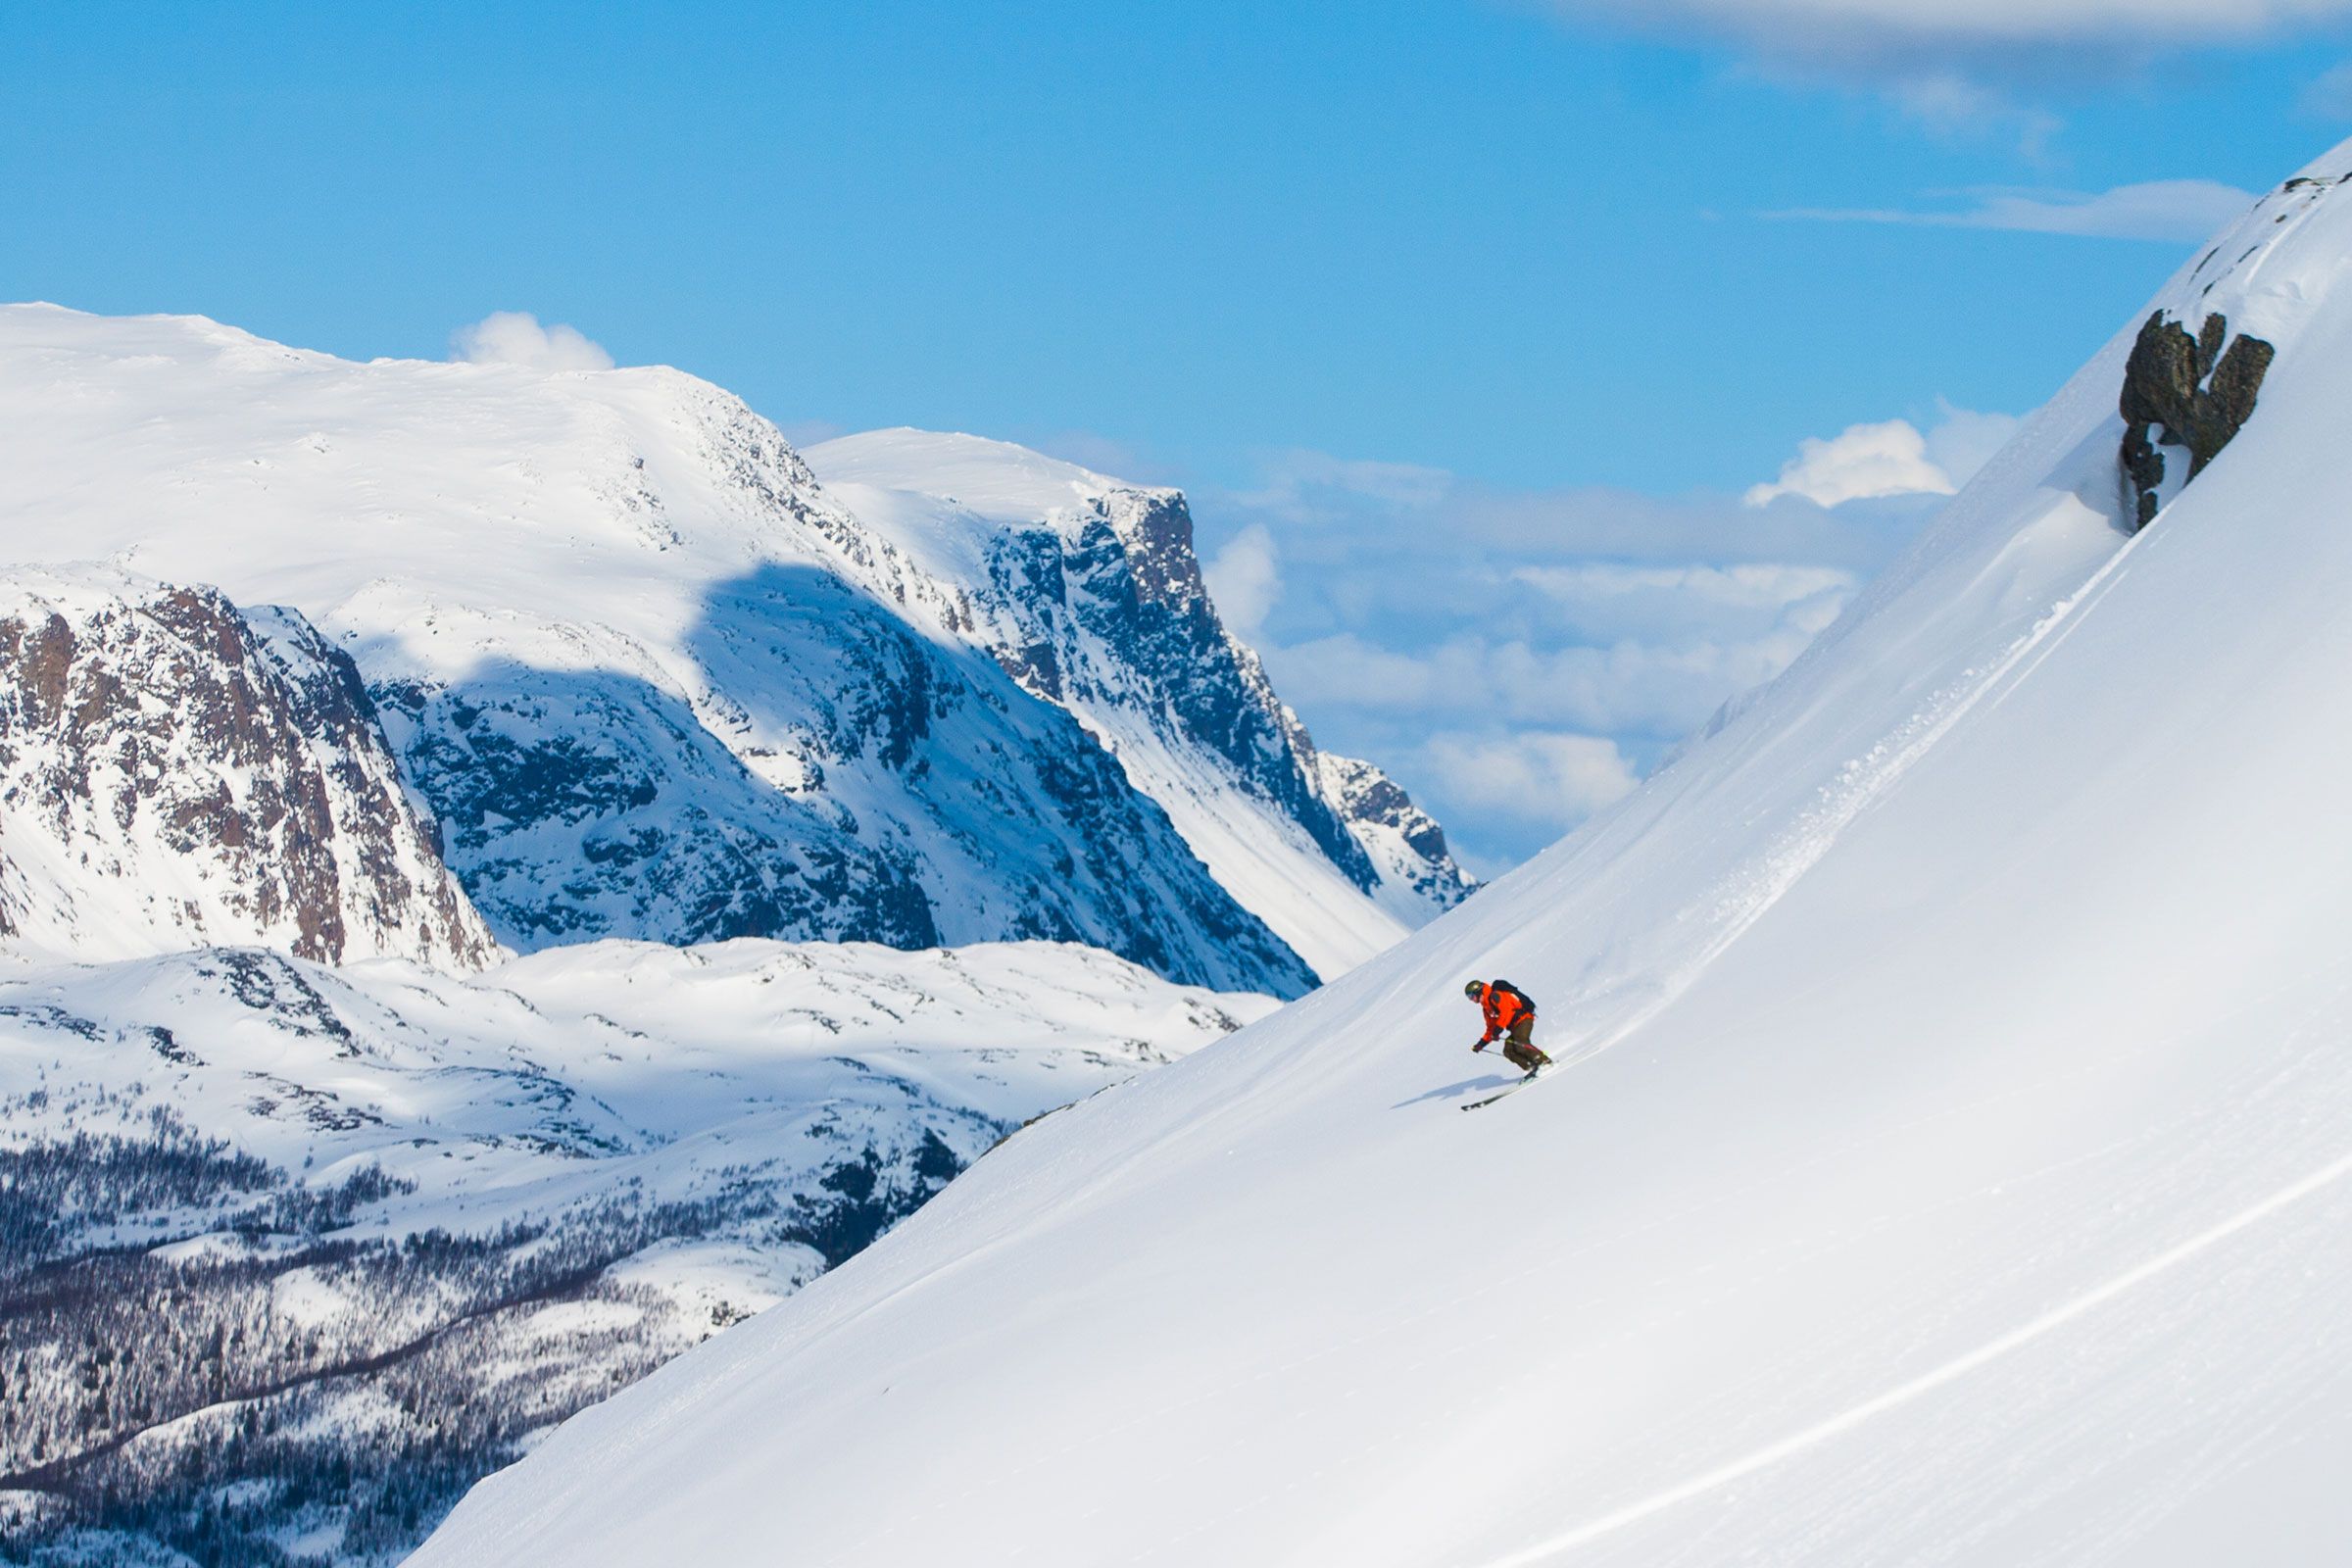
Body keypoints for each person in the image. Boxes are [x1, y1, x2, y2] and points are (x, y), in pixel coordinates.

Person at [1465, 979, 1552, 1078]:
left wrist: (1498, 1029)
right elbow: (1490, 1028)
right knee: (1508, 1050)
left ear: (1478, 992)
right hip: (1514, 1026)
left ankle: (1545, 1062)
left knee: (1521, 1042)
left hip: (1523, 1019)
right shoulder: (1486, 1009)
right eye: (1469, 998)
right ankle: (1531, 1067)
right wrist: (1481, 1044)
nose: (1471, 1000)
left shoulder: (1495, 995)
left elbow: (1506, 1011)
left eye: (1471, 996)